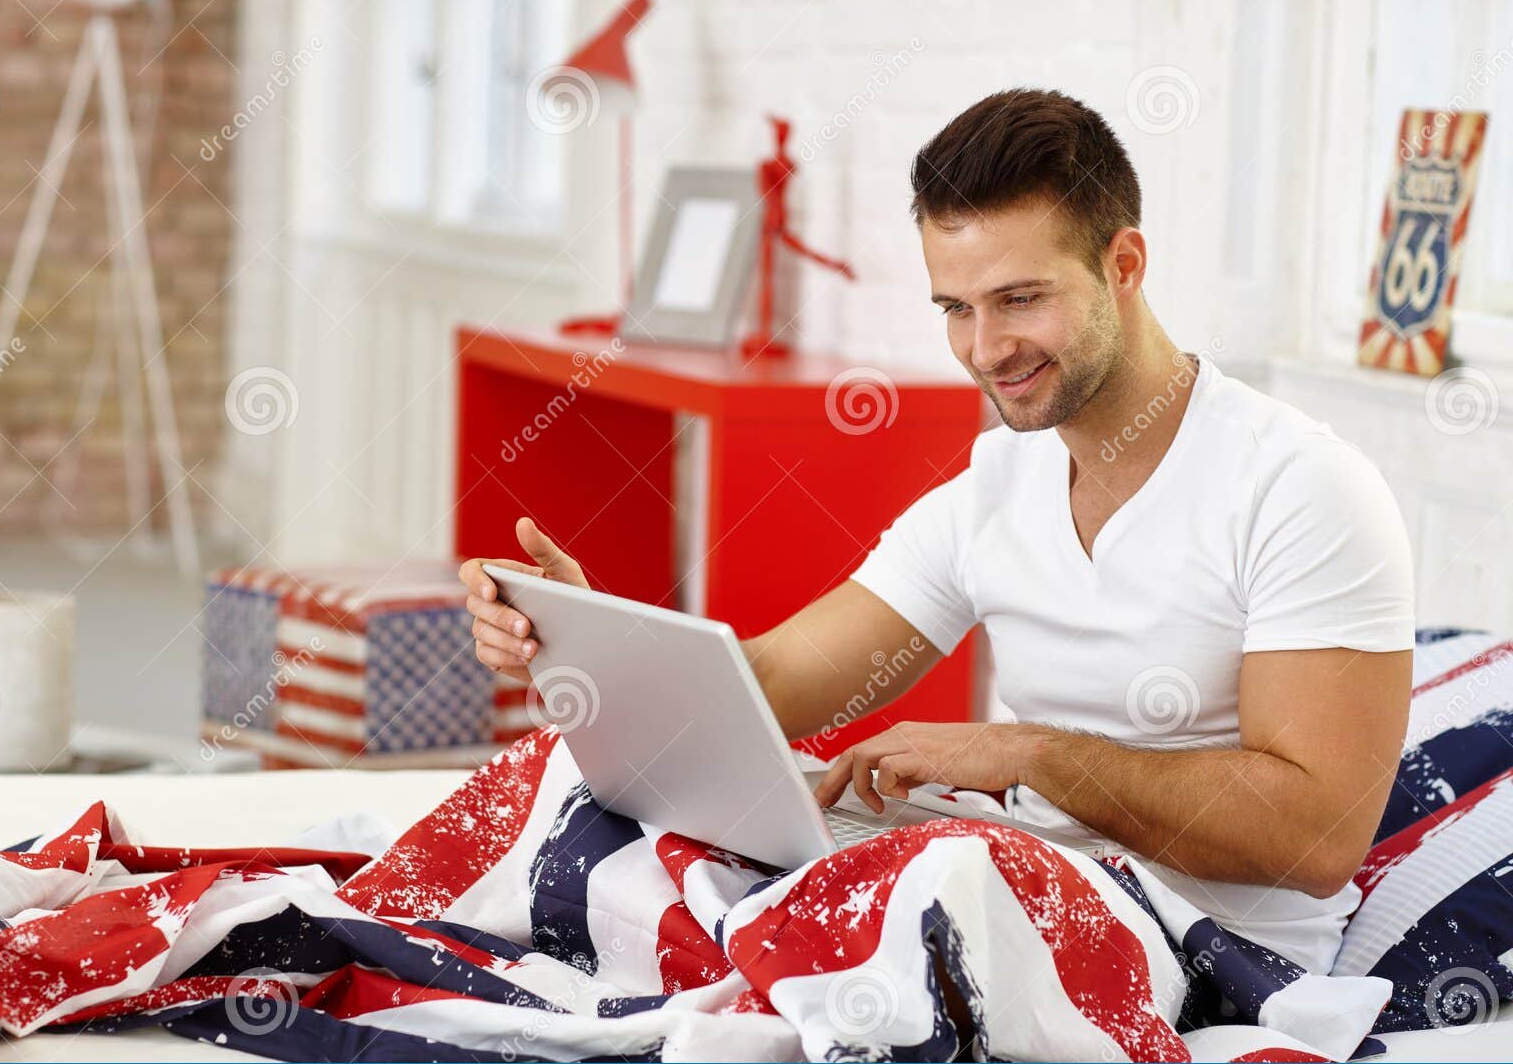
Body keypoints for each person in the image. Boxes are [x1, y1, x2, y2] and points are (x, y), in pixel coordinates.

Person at [460, 88, 1414, 977]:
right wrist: (594, 647)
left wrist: (1028, 755)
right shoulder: (1000, 478)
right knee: (578, 803)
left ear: (1124, 266)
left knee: (829, 929)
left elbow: (1318, 838)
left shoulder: (1300, 487)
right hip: (1011, 880)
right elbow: (782, 682)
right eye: (956, 309)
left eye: (1020, 299)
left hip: (1208, 940)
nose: (987, 350)